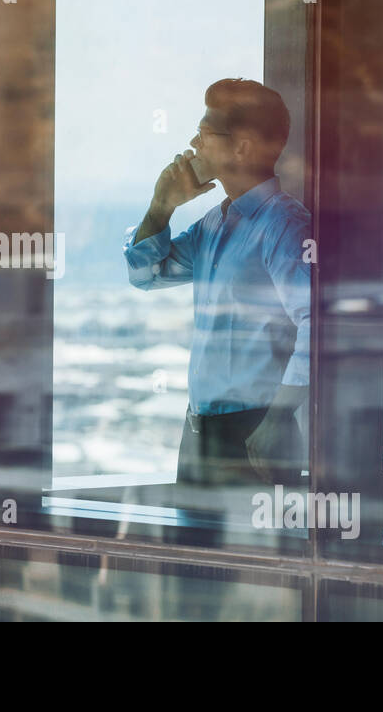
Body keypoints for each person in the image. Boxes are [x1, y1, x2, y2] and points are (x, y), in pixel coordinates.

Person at [124, 78, 311, 522]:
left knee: (256, 584)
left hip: (254, 434)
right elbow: (145, 275)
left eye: (205, 132)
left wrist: (278, 418)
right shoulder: (215, 223)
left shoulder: (284, 225)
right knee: (198, 578)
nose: (193, 143)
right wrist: (161, 206)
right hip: (201, 436)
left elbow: (318, 323)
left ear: (242, 148)